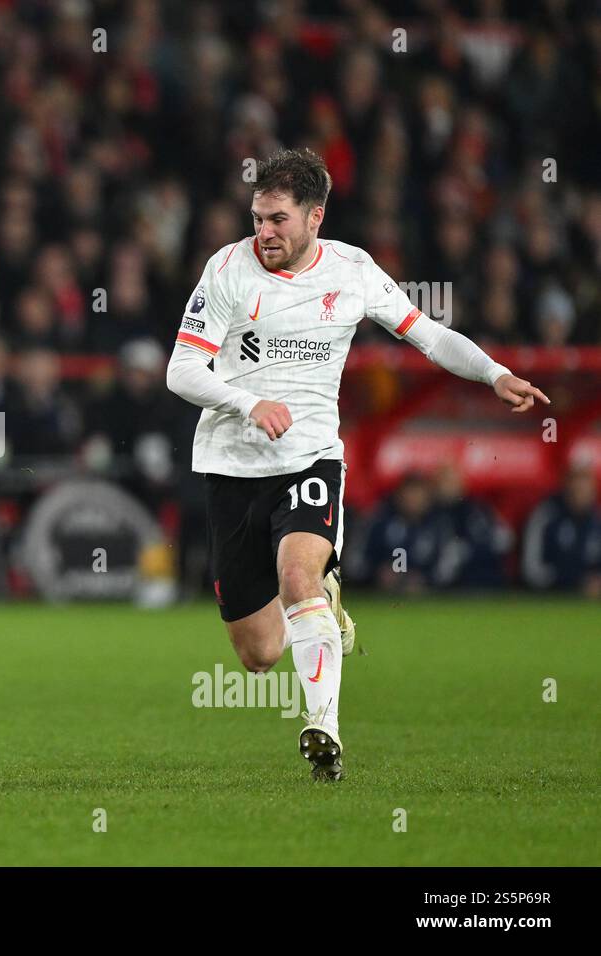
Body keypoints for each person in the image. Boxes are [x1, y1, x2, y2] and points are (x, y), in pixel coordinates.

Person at [166, 148, 549, 780]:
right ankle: (325, 606)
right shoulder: (227, 269)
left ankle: (324, 731)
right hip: (232, 467)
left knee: (298, 576)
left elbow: (428, 334)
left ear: (315, 217)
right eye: (258, 218)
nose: (264, 232)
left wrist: (494, 373)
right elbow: (181, 370)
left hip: (310, 458)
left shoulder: (353, 270)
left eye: (278, 220)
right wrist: (248, 401)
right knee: (259, 655)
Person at [521, 461, 601, 596]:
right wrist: (577, 583)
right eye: (575, 478)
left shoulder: (597, 520)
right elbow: (531, 572)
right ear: (565, 482)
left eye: (585, 479)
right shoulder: (546, 515)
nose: (580, 485)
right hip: (549, 598)